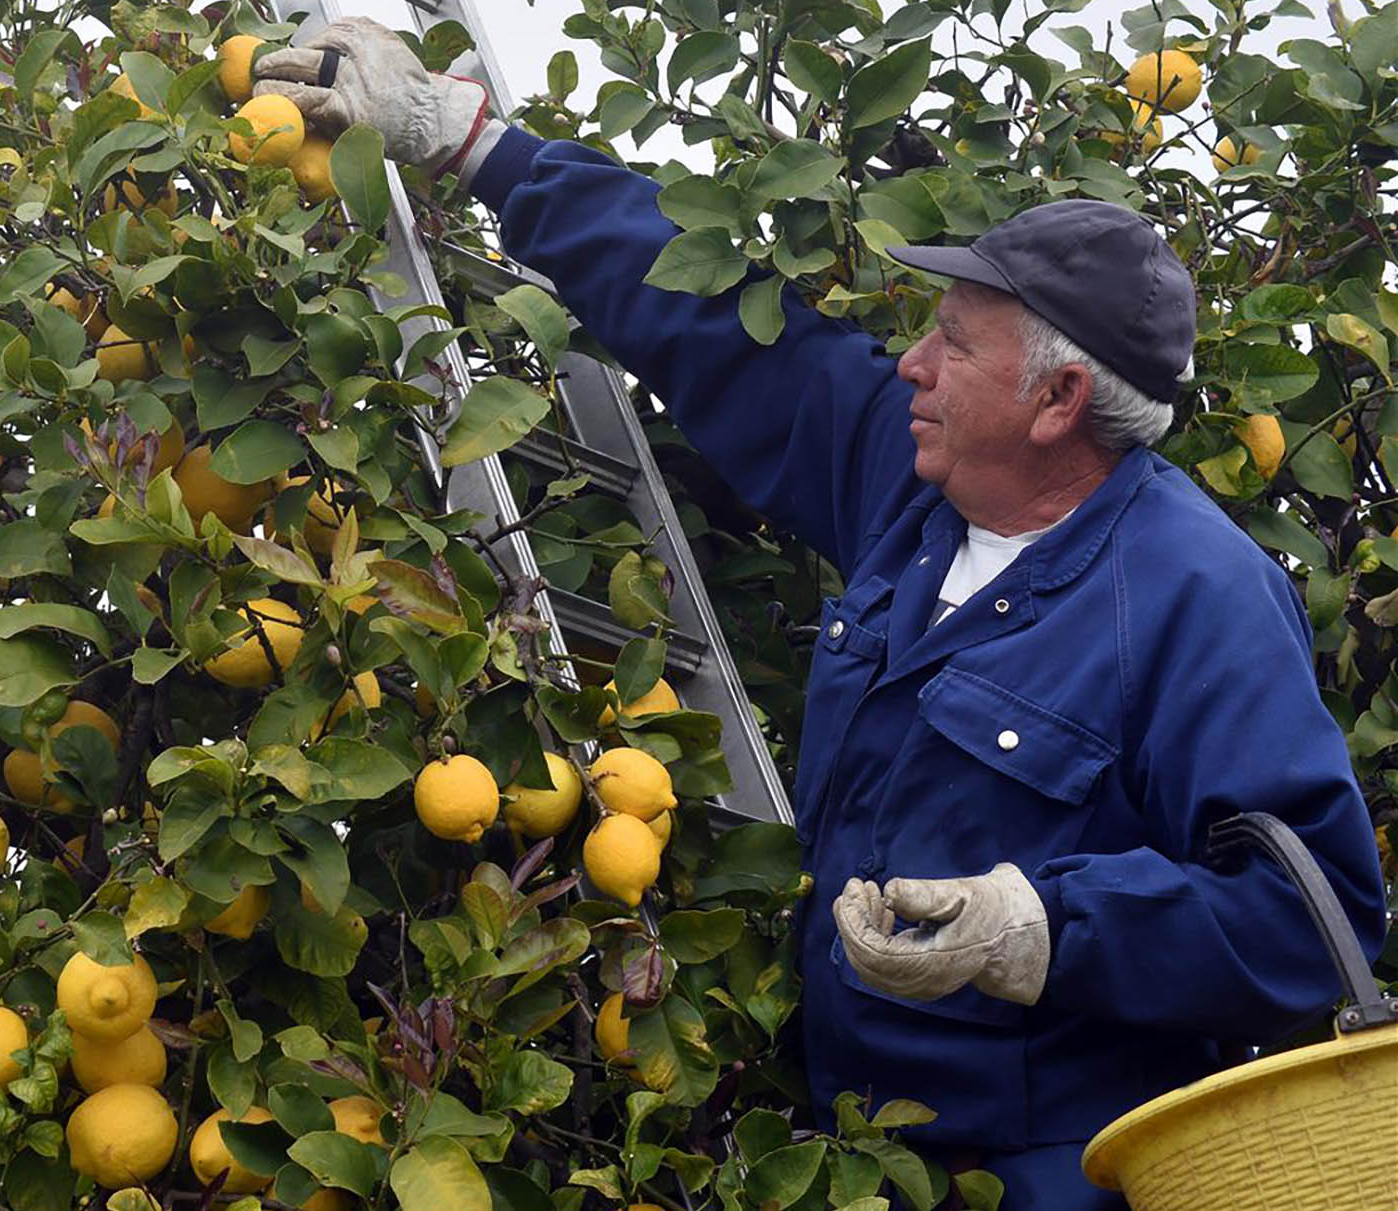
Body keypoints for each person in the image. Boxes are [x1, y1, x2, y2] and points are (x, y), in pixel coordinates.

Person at [252, 18, 1389, 1209]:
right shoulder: (918, 487)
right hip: (850, 1151)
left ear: (1057, 399)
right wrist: (471, 142)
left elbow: (1313, 918)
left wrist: (1043, 925)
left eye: (953, 344)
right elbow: (715, 330)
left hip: (1057, 1175)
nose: (911, 363)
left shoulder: (1195, 595)